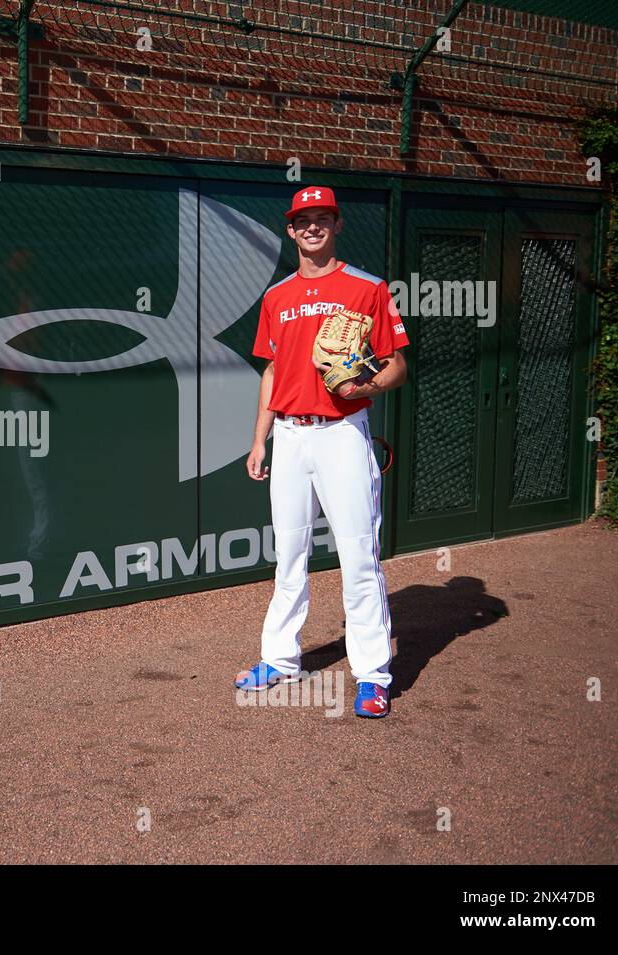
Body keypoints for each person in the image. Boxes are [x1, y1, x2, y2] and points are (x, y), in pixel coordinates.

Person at [237, 186, 409, 718]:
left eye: (321, 218)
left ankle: (373, 675)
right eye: (301, 220)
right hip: (289, 436)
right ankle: (281, 659)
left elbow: (397, 365)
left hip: (341, 433)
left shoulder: (368, 288)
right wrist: (259, 436)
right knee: (288, 557)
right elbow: (271, 371)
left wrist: (368, 388)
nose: (311, 227)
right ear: (290, 230)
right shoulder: (276, 297)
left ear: (337, 224)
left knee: (358, 558)